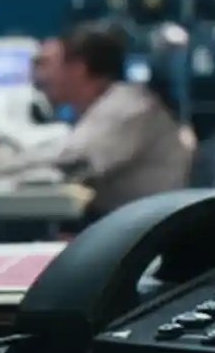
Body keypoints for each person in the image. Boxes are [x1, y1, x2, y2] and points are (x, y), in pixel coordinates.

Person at [33, 23, 194, 219]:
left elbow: (72, 163)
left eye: (49, 65)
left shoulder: (127, 108)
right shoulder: (112, 104)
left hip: (145, 231)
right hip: (128, 224)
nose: (38, 77)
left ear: (78, 69)